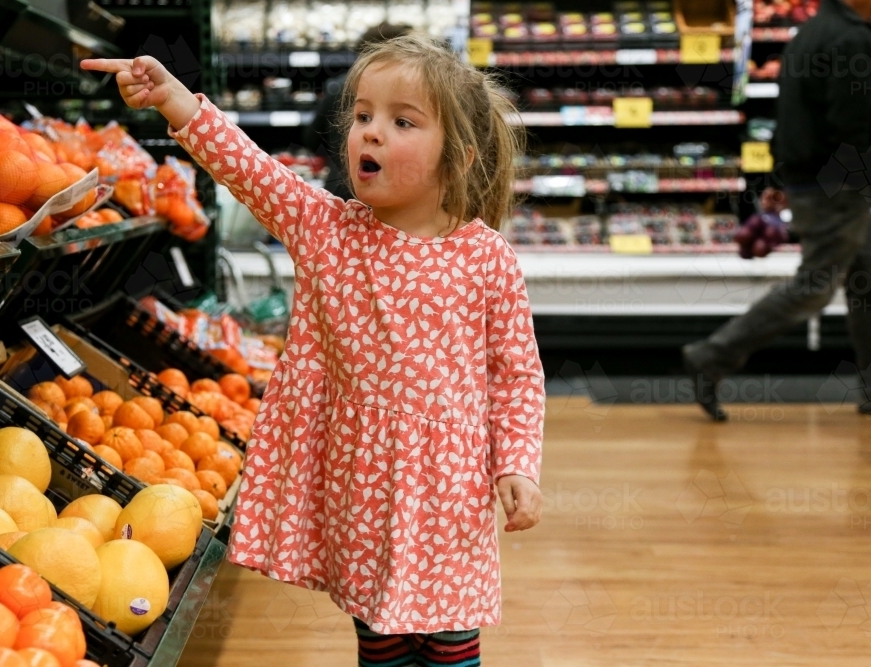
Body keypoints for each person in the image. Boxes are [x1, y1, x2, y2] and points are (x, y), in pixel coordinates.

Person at [83, 33, 545, 665]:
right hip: (359, 483)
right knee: (376, 632)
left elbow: (515, 374)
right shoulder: (326, 228)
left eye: (401, 121)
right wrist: (173, 101)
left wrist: (515, 463)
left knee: (451, 636)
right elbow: (248, 168)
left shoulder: (486, 258)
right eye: (362, 116)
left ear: (459, 158)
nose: (370, 134)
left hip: (447, 490)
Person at [683, 0, 871, 420]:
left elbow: (789, 114)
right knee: (814, 287)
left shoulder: (808, 33)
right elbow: (853, 125)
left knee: (867, 281)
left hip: (814, 179)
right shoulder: (852, 39)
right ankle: (711, 356)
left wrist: (779, 178)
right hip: (838, 188)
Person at [304, 23, 411, 200]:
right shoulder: (410, 91)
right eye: (362, 117)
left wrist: (336, 157)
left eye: (401, 123)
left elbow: (311, 139)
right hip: (390, 195)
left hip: (340, 191)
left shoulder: (339, 86)